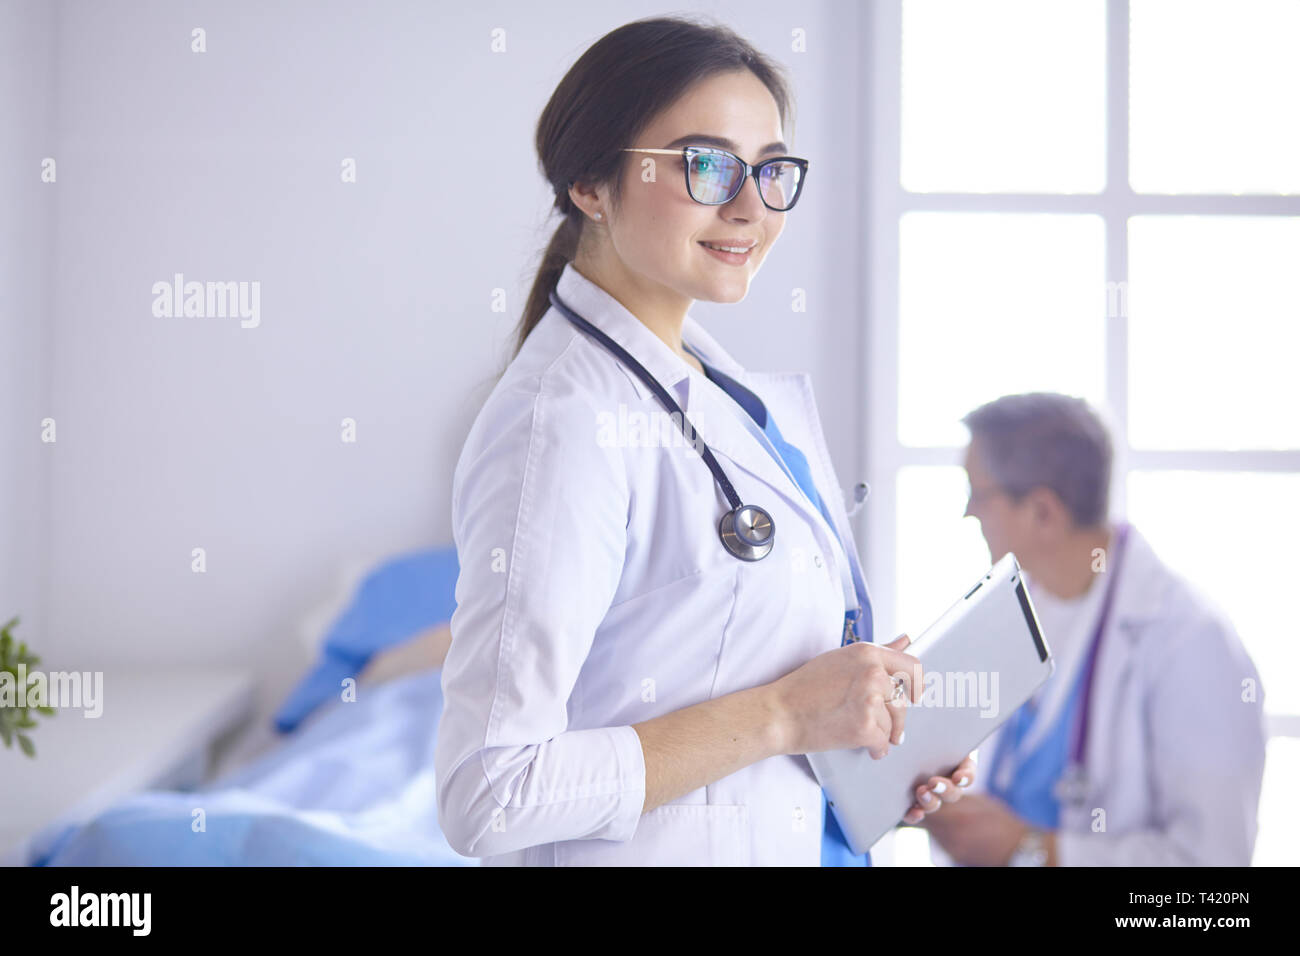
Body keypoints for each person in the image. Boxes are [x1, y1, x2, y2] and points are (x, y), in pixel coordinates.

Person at [435, 16, 974, 866]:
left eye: (769, 170)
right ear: (590, 183)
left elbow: (725, 686)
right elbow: (490, 792)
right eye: (706, 164)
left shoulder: (723, 393)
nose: (750, 206)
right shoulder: (563, 424)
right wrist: (789, 714)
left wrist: (862, 737)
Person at [921, 392, 1267, 866]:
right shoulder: (1013, 609)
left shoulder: (1190, 641)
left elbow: (1213, 863)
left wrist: (1031, 852)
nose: (968, 512)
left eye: (979, 492)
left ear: (1043, 511)